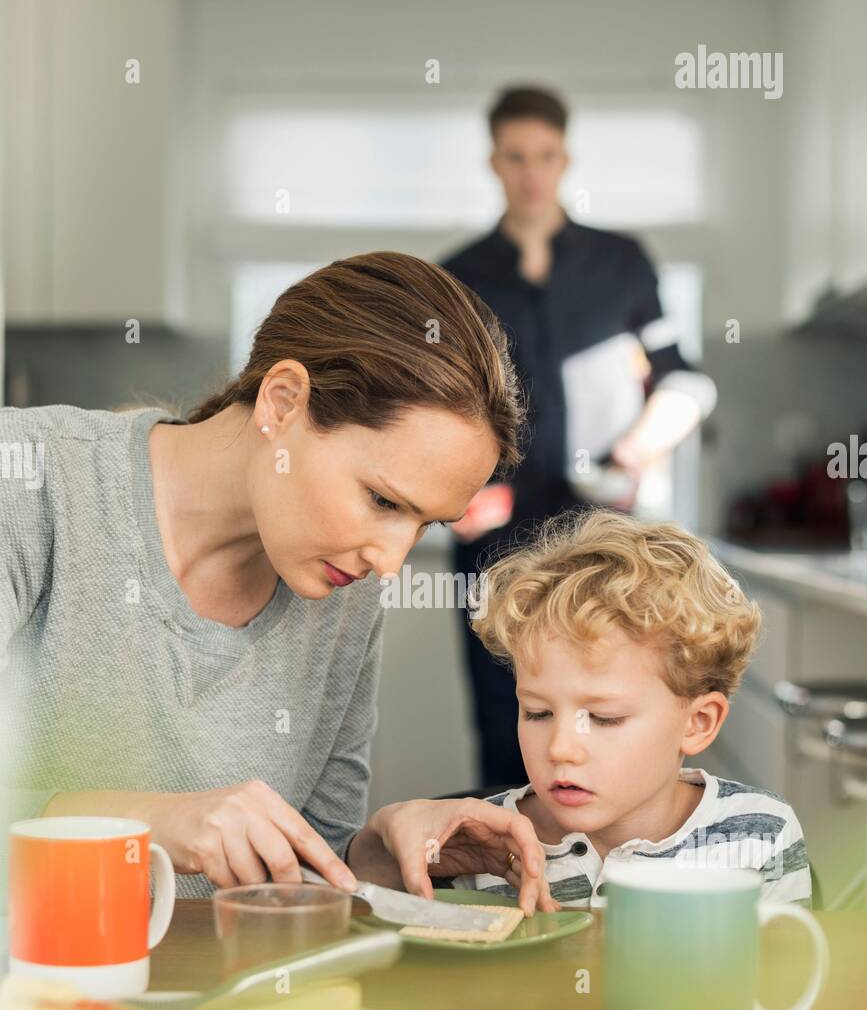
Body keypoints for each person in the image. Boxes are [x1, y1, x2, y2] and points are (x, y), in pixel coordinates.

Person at [0, 251, 556, 915]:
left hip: (207, 1009)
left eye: (425, 524)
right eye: (382, 501)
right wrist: (145, 822)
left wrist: (369, 854)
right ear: (283, 402)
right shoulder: (30, 483)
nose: (389, 559)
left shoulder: (343, 598)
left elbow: (293, 877)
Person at [441, 86, 717, 788]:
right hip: (494, 540)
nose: (531, 172)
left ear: (564, 158)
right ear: (493, 162)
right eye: (514, 157)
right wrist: (455, 491)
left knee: (602, 717)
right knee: (509, 723)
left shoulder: (620, 262)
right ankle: (513, 882)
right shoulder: (458, 276)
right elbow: (441, 406)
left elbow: (683, 381)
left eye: (544, 155)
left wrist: (638, 447)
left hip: (601, 533)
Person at [448, 509, 811, 909]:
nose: (561, 748)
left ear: (697, 722)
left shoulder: (760, 836)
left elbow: (789, 969)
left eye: (605, 718)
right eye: (538, 713)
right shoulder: (485, 844)